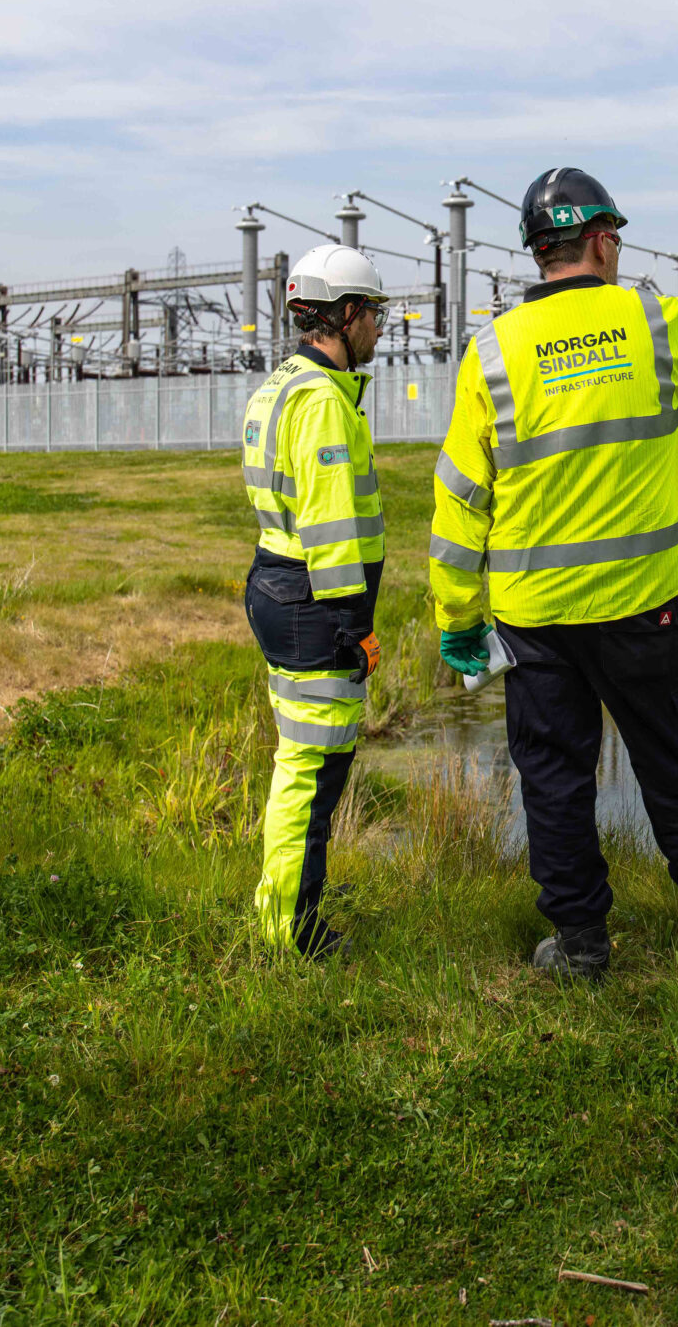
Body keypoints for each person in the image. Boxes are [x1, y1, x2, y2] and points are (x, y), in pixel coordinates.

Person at [428, 167, 678, 979]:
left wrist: (458, 620)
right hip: (638, 602)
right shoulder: (651, 319)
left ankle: (581, 943)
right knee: (673, 761)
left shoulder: (492, 352)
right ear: (604, 239)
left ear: (538, 251)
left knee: (553, 777)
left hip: (533, 613)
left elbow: (458, 502)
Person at [240, 243, 390, 958]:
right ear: (348, 314)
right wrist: (352, 625)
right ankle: (289, 931)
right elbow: (333, 531)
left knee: (298, 763)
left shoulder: (278, 386)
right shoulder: (325, 402)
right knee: (314, 772)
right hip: (313, 600)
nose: (380, 330)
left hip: (275, 582)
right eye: (375, 315)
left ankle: (281, 913)